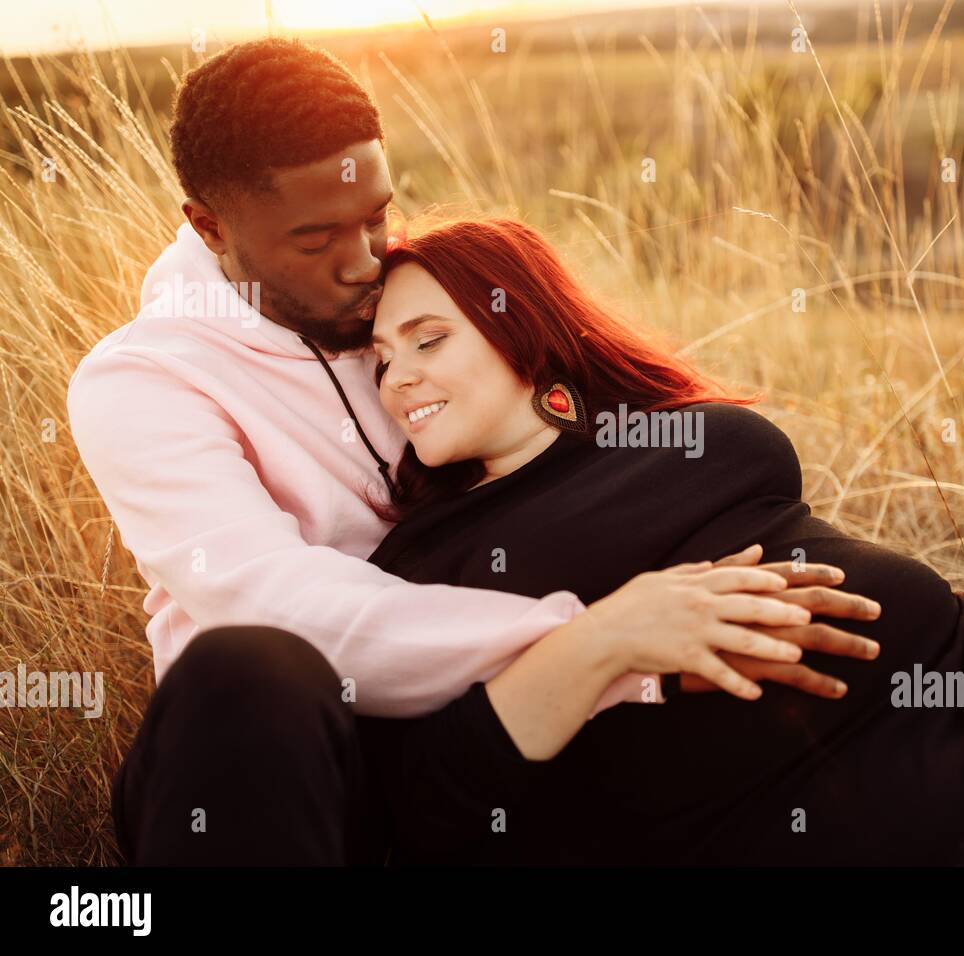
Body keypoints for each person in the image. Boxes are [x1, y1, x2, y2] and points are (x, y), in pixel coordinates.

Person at [67, 38, 876, 866]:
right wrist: (599, 641)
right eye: (315, 242)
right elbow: (283, 610)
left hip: (493, 736)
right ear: (209, 226)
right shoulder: (142, 380)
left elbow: (594, 437)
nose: (364, 264)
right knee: (249, 668)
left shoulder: (410, 295)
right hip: (281, 773)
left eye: (377, 216)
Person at [349, 216, 964, 866]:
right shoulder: (431, 557)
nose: (399, 381)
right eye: (383, 360)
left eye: (430, 340)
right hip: (842, 799)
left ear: (523, 321)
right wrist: (611, 635)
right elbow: (433, 802)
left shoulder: (642, 425)